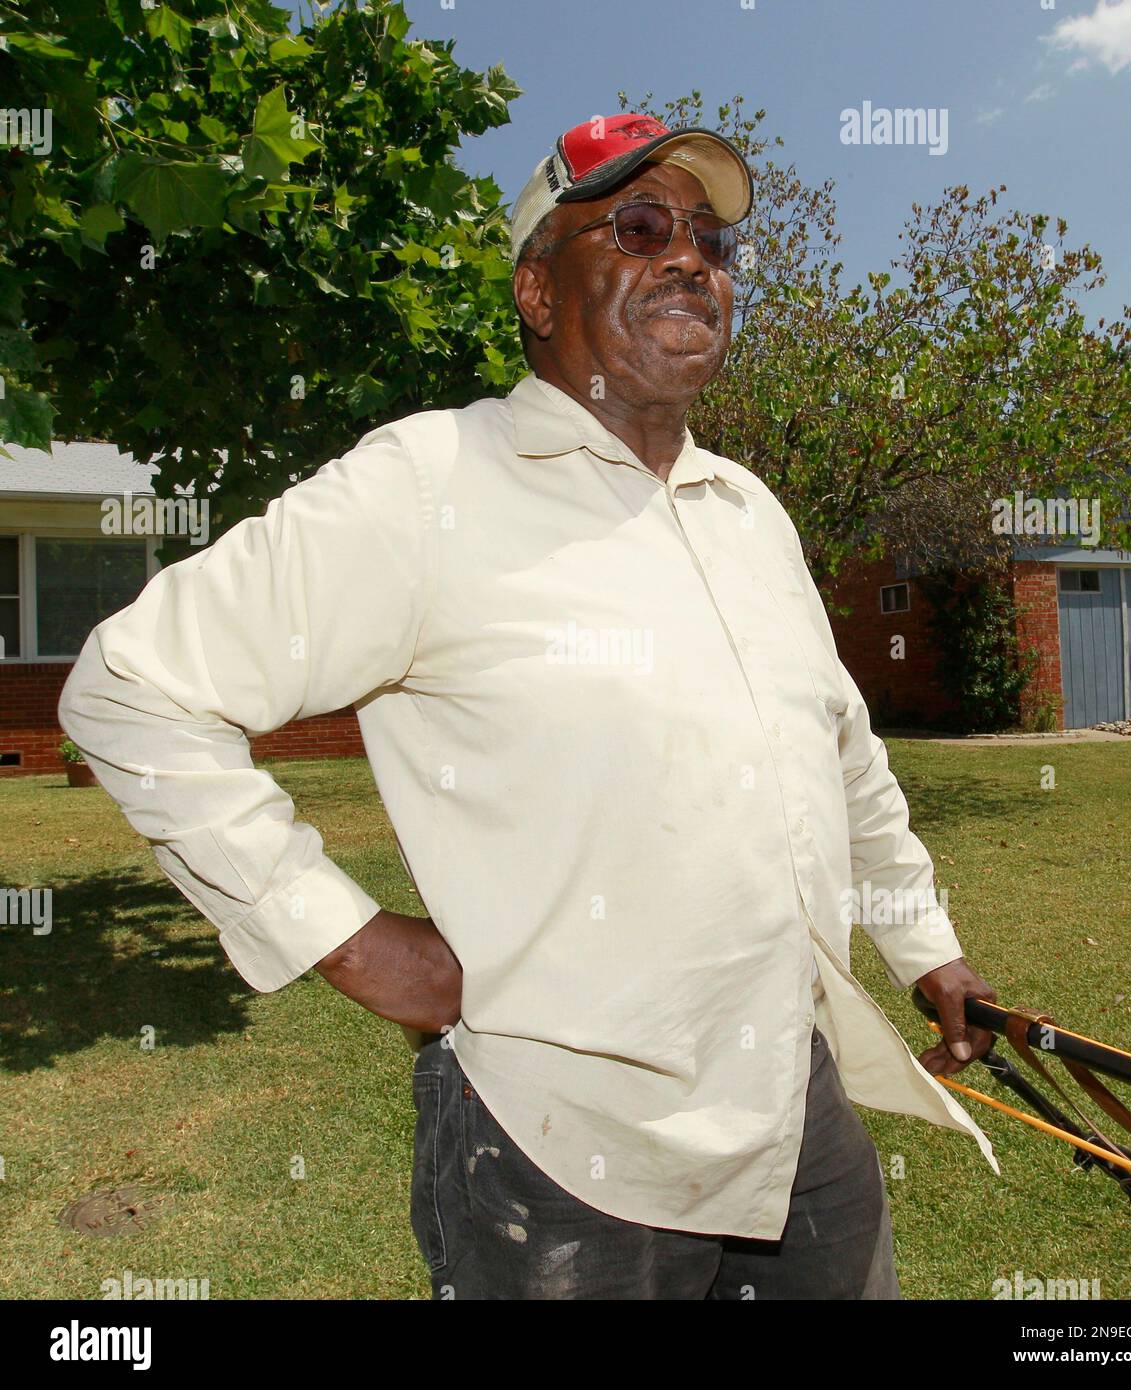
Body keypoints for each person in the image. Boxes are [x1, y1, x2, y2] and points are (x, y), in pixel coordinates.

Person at [59, 112, 1000, 1301]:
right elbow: (131, 685)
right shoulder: (424, 483)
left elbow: (844, 761)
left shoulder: (747, 511)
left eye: (711, 240)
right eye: (638, 226)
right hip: (562, 1151)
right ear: (538, 294)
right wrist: (345, 938)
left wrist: (928, 947)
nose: (689, 260)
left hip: (791, 1110)